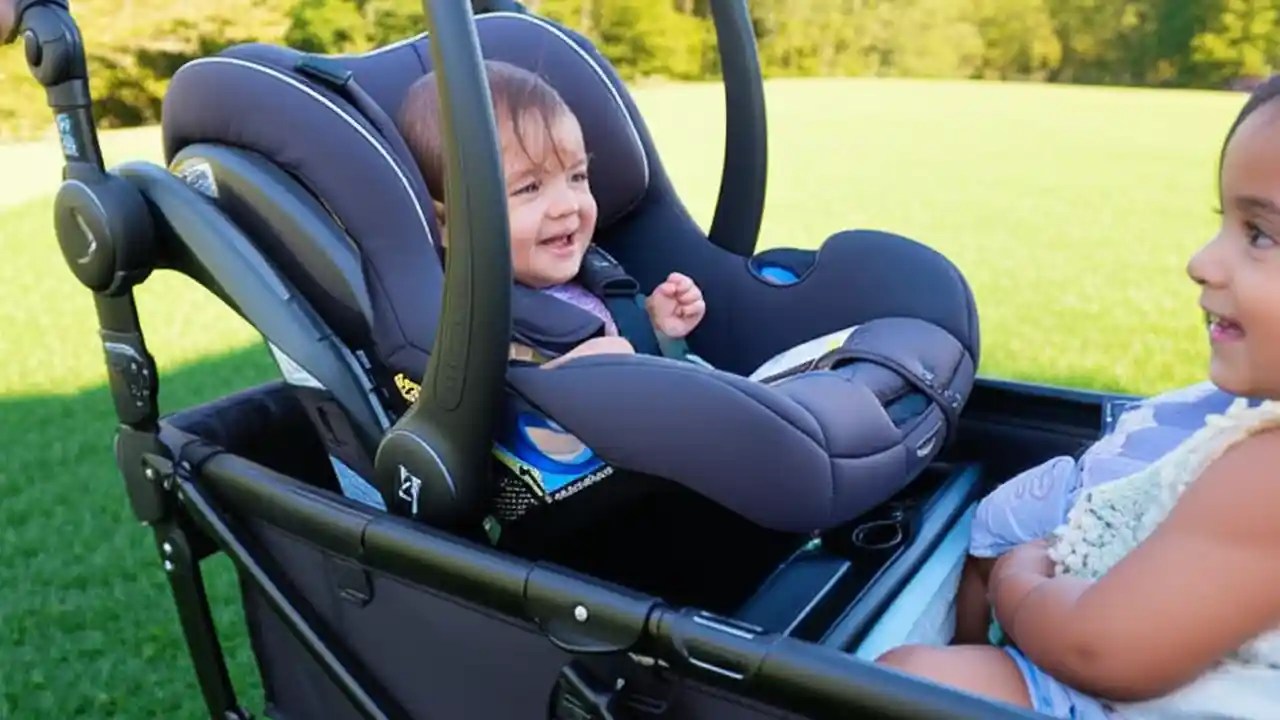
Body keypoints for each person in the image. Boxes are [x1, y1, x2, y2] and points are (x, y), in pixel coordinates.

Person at [874, 77, 1280, 718]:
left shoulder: (1268, 472)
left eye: (1260, 233)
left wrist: (1018, 581)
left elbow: (1100, 651)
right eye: (1222, 222)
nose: (1202, 261)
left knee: (903, 681)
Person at [395, 59, 706, 369]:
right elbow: (502, 402)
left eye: (577, 177)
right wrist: (571, 374)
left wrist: (653, 326)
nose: (568, 204)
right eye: (530, 188)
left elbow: (640, 351)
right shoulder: (478, 327)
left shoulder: (589, 274)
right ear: (447, 224)